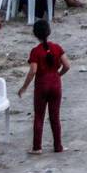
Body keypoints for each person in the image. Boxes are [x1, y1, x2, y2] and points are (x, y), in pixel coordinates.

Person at [18, 19, 69, 155]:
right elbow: (67, 65)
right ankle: (58, 146)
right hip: (56, 84)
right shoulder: (57, 47)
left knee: (39, 116)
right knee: (55, 117)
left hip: (41, 86)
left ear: (35, 34)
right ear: (49, 32)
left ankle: (37, 147)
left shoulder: (35, 51)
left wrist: (24, 87)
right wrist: (58, 75)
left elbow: (33, 71)